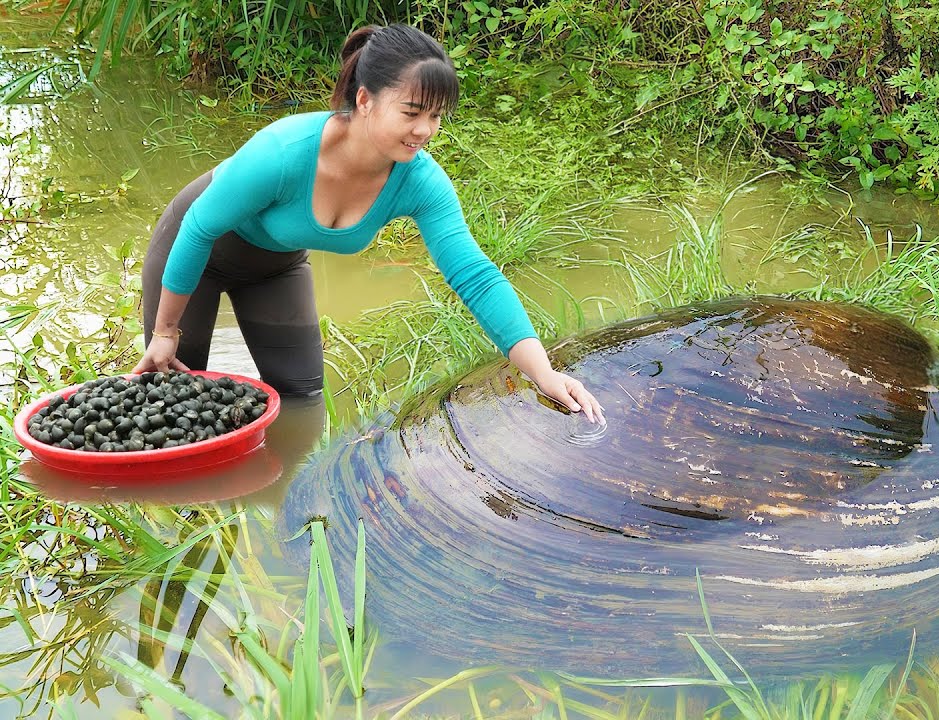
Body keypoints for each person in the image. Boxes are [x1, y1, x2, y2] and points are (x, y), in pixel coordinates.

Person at [132, 23, 603, 425]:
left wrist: (543, 372)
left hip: (276, 265)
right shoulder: (284, 151)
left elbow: (474, 276)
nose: (425, 131)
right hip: (194, 246)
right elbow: (198, 229)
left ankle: (283, 518)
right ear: (365, 100)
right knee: (177, 395)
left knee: (302, 401)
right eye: (412, 113)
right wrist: (165, 330)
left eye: (437, 117)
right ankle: (183, 524)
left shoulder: (419, 182)